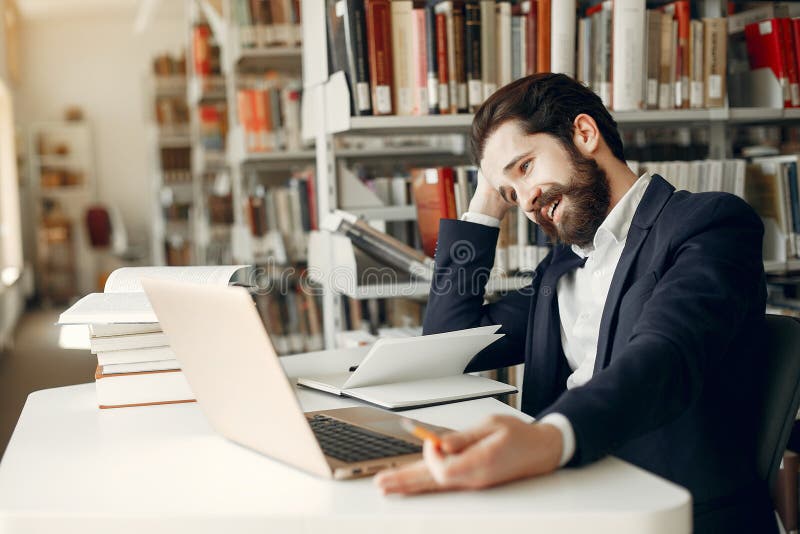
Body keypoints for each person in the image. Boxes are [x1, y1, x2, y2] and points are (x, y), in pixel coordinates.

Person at [374, 73, 775, 533]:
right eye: (512, 195)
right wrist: (486, 203)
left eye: (526, 167)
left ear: (584, 134)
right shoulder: (559, 269)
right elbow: (448, 341)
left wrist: (549, 438)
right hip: (566, 498)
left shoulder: (707, 224)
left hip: (668, 512)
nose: (527, 202)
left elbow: (664, 355)